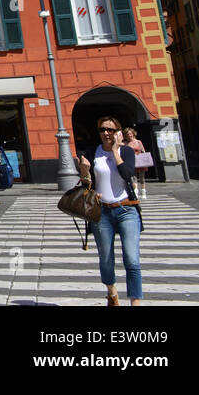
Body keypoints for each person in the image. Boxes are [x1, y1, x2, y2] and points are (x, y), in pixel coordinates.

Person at [76, 115, 143, 306]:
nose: (106, 133)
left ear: (118, 132)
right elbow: (86, 183)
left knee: (132, 259)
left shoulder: (127, 152)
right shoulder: (92, 152)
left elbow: (127, 174)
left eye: (110, 130)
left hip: (126, 210)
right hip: (101, 212)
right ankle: (112, 293)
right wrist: (84, 170)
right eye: (102, 130)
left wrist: (115, 151)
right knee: (106, 258)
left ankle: (135, 302)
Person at [124, 127, 147, 199]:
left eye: (130, 134)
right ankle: (135, 192)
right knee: (133, 177)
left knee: (142, 177)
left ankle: (143, 192)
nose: (129, 135)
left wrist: (142, 155)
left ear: (133, 134)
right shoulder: (125, 143)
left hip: (140, 161)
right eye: (127, 134)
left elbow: (143, 150)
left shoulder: (138, 142)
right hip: (131, 162)